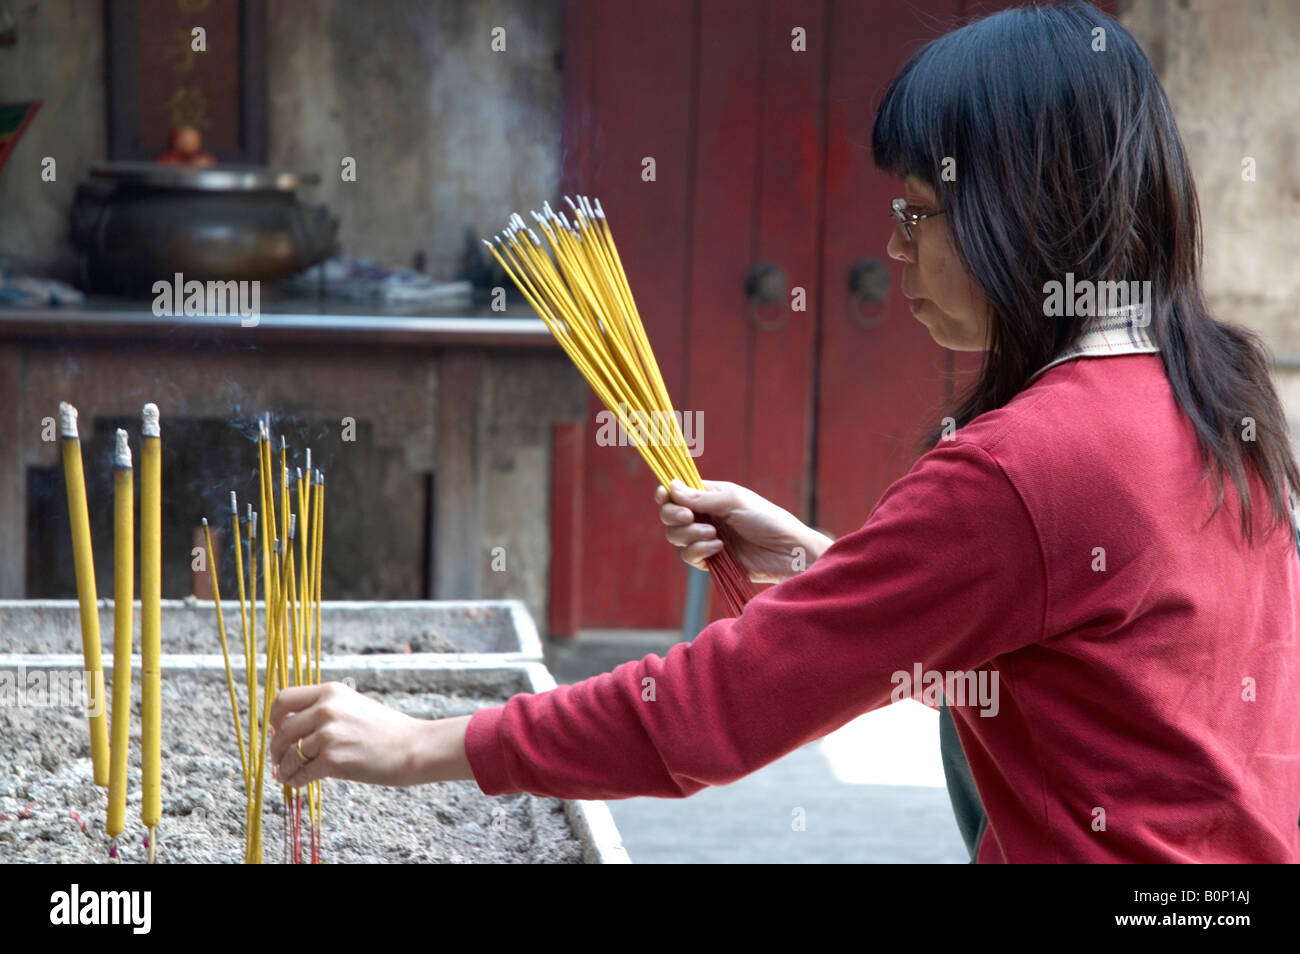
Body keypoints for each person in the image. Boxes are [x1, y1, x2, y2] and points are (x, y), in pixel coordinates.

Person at [268, 1, 1300, 862]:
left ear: (1019, 212)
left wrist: (413, 744)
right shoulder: (1212, 387)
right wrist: (828, 569)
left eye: (916, 214)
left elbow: (710, 712)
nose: (893, 252)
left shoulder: (1028, 463)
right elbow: (1096, 663)